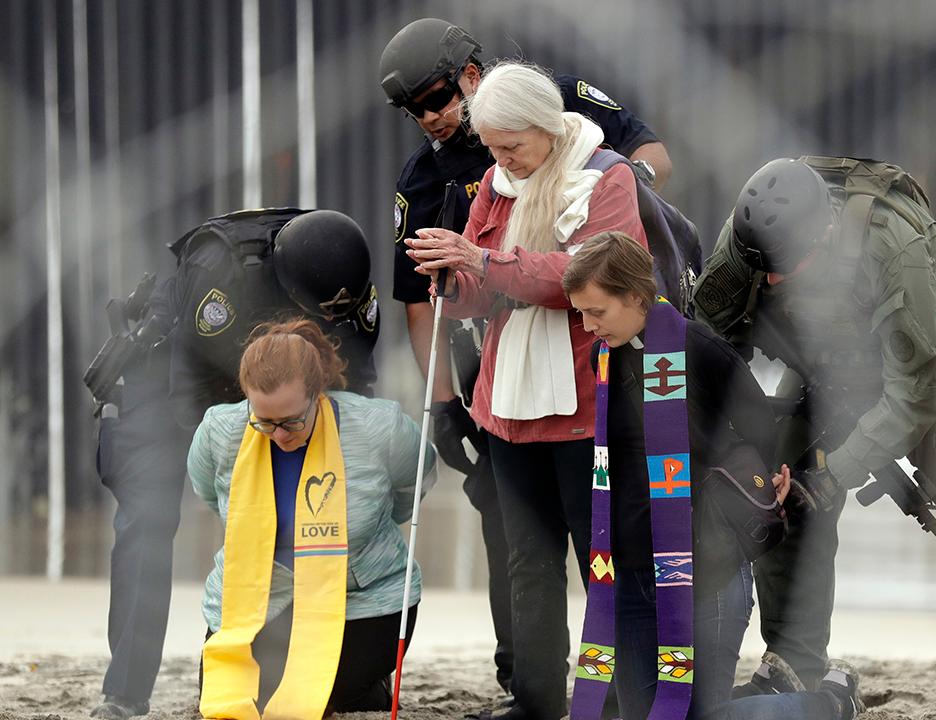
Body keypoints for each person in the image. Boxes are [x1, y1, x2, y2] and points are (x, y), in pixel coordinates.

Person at [692, 156, 936, 715]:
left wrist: (836, 472)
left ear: (825, 233)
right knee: (777, 490)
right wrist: (748, 440)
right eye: (766, 270)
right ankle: (793, 664)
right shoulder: (750, 239)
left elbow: (915, 395)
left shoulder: (889, 246)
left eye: (786, 267)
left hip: (931, 369)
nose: (774, 281)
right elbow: (705, 338)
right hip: (822, 366)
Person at [378, 18, 673, 694]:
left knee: (602, 558)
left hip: (586, 401)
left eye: (509, 147)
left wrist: (481, 258)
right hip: (503, 403)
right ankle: (536, 698)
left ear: (548, 126)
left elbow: (587, 280)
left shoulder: (607, 179)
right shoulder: (483, 183)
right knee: (525, 563)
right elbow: (477, 299)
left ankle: (616, 695)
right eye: (491, 148)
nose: (499, 161)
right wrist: (453, 280)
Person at [88, 209, 381, 719]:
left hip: (279, 388)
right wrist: (251, 455)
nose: (332, 317)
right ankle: (125, 693)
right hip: (175, 380)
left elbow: (357, 381)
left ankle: (346, 678)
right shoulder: (221, 277)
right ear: (287, 292)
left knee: (325, 515)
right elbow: (191, 397)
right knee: (147, 521)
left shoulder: (344, 282)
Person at [560, 232, 798, 720]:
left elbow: (760, 426)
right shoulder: (603, 356)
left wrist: (767, 478)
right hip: (627, 573)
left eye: (596, 312)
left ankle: (826, 702)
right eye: (580, 313)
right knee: (641, 712)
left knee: (699, 712)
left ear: (635, 296)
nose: (587, 326)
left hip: (707, 566)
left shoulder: (700, 347)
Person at [189, 319, 432, 717]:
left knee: (321, 696)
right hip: (259, 603)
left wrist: (367, 531)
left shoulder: (380, 427)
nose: (278, 435)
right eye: (264, 421)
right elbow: (212, 498)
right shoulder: (218, 430)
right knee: (235, 698)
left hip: (362, 602)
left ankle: (364, 685)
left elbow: (415, 482)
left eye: (291, 421)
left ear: (318, 392)